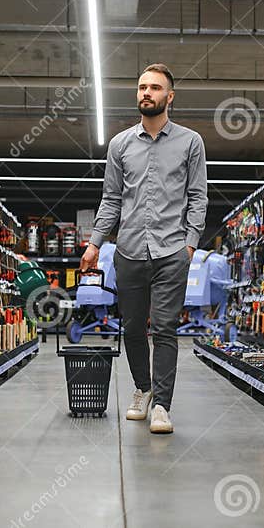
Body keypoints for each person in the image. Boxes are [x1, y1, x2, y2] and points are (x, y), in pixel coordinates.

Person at [80, 63, 208, 434]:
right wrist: (94, 244)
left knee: (165, 328)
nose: (146, 93)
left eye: (154, 87)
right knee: (133, 328)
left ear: (170, 96)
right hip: (130, 249)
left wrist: (189, 244)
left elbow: (198, 197)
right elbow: (111, 200)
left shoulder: (190, 142)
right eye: (141, 87)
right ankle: (142, 388)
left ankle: (162, 407)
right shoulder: (120, 144)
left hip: (172, 252)